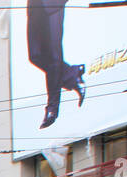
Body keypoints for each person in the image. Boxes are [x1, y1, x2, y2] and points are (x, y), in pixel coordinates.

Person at [26, 0, 85, 130]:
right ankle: (73, 75)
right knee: (35, 56)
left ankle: (52, 109)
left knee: (54, 57)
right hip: (35, 5)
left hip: (53, 4)